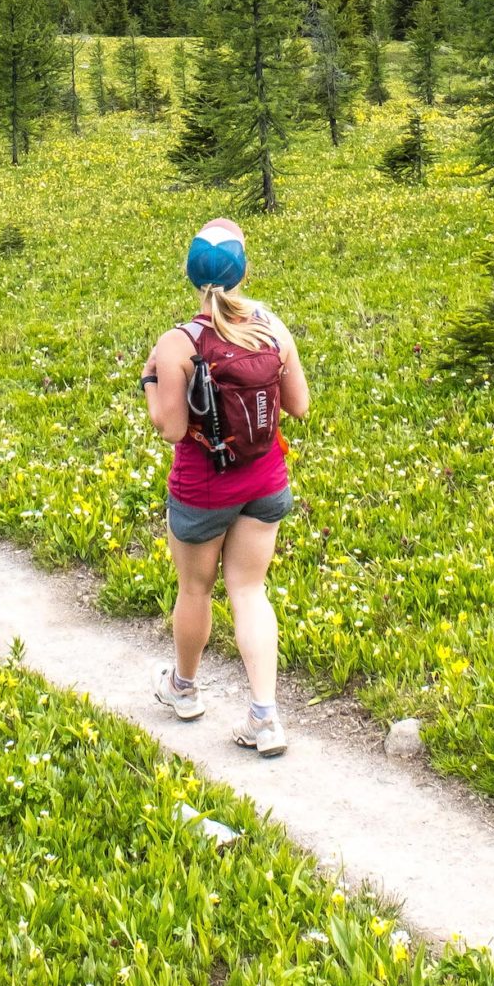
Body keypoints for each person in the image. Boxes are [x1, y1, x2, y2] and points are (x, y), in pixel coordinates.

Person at [140, 216, 309, 757]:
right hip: (265, 481)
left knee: (195, 589)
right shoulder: (272, 328)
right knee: (249, 591)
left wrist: (150, 383)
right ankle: (266, 718)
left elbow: (168, 427)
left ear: (190, 274)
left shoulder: (177, 343)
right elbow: (299, 406)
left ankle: (184, 690)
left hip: (202, 489)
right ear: (244, 271)